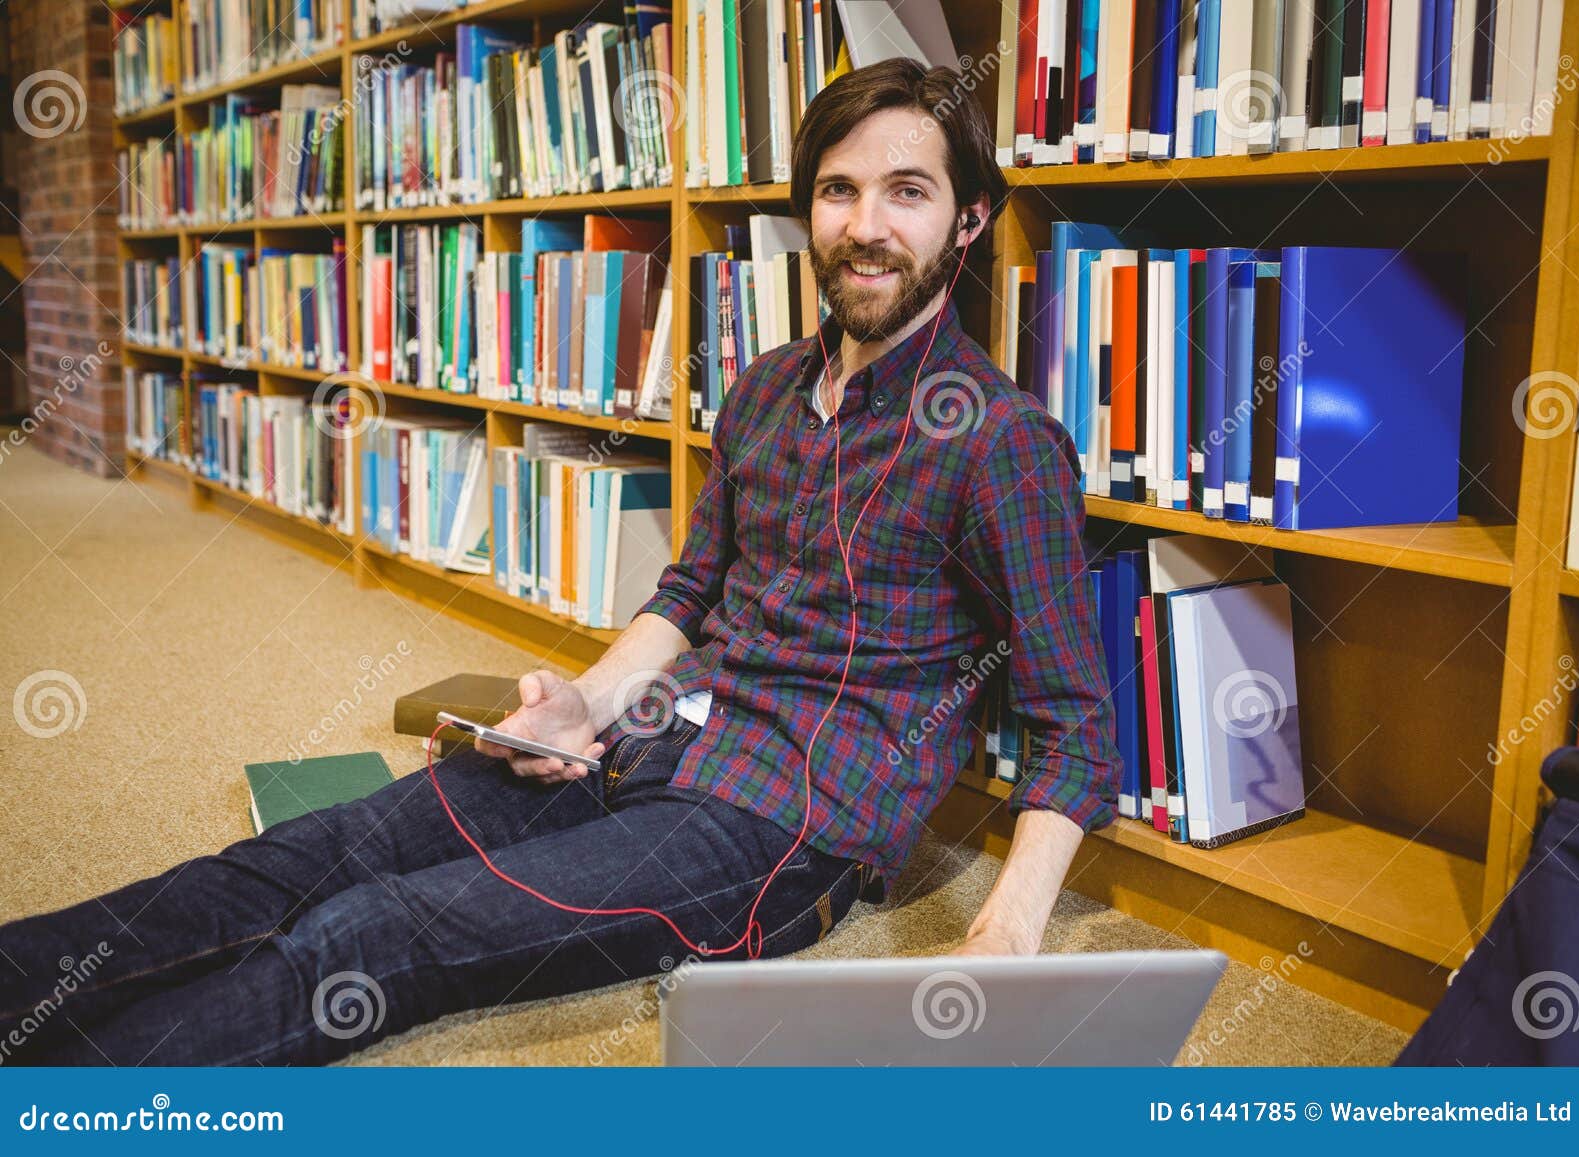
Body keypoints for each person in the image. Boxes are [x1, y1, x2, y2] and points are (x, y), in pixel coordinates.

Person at [0, 57, 1120, 1066]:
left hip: (784, 829)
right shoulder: (765, 389)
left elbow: (1075, 721)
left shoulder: (1000, 442)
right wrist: (579, 702)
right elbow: (689, 591)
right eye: (838, 189)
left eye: (906, 192)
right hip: (644, 742)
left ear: (968, 221)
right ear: (808, 210)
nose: (865, 223)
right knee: (302, 854)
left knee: (374, 933)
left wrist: (1003, 928)